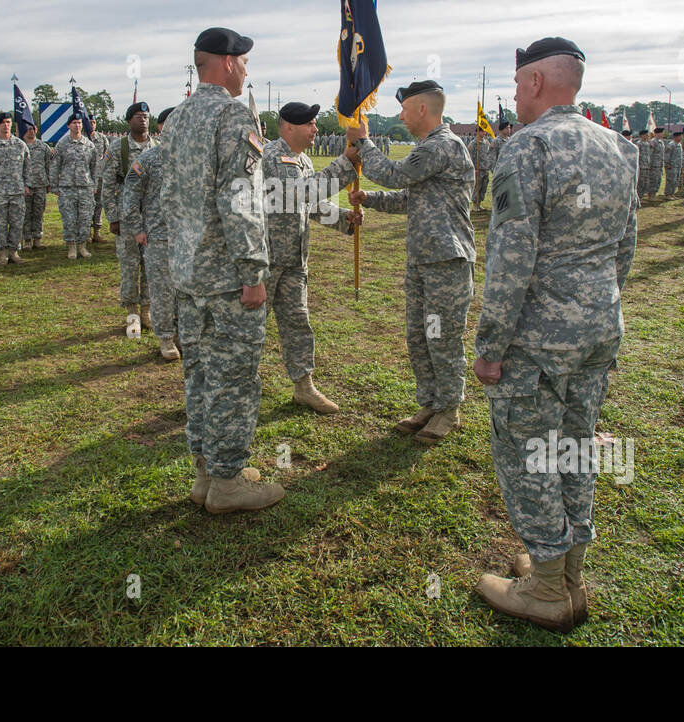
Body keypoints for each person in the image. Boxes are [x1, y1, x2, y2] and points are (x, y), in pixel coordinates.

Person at [472, 37, 637, 634]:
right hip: (597, 328)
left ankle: (544, 588)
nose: (515, 95)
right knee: (576, 446)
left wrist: (491, 346)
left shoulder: (529, 147)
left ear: (537, 82)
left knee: (530, 453)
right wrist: (598, 303)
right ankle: (569, 571)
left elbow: (511, 258)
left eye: (518, 84)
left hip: (537, 339)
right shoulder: (617, 146)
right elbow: (626, 246)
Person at [160, 26, 282, 513]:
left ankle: (206, 473)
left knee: (199, 373)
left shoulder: (178, 118)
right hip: (227, 275)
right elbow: (239, 199)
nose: (248, 70)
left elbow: (171, 198)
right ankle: (229, 483)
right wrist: (252, 271)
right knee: (233, 375)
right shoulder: (233, 114)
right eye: (246, 62)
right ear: (228, 63)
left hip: (187, 273)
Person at [346, 78, 475, 444]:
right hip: (423, 259)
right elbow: (410, 199)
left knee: (441, 336)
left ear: (422, 109)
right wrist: (368, 198)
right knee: (419, 335)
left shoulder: (442, 146)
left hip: (445, 261)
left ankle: (449, 409)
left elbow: (395, 175)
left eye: (404, 109)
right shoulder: (429, 149)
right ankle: (431, 403)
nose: (400, 116)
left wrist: (362, 141)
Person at [263, 102, 361, 414]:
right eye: (310, 124)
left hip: (293, 260)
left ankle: (303, 387)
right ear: (289, 127)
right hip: (263, 262)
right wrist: (346, 162)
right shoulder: (273, 157)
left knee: (298, 323)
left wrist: (345, 218)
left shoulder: (301, 160)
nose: (316, 130)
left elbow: (312, 205)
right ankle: (231, 389)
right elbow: (305, 192)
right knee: (248, 330)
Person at [121, 107, 180, 360]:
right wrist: (137, 229)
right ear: (161, 128)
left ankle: (182, 333)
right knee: (162, 289)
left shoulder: (194, 159)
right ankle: (166, 337)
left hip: (188, 237)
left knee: (185, 289)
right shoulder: (147, 159)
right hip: (157, 236)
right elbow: (130, 195)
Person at [105, 103, 158, 331]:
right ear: (129, 121)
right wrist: (113, 217)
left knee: (150, 264)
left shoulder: (158, 147)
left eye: (145, 116)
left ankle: (147, 308)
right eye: (138, 116)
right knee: (129, 264)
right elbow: (107, 184)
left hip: (152, 216)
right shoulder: (118, 148)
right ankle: (132, 311)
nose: (143, 120)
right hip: (127, 215)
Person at [0, 112, 30, 265]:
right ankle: (2, 252)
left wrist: (26, 184)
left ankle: (14, 251)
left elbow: (27, 166)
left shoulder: (20, 144)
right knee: (1, 223)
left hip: (17, 190)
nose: (6, 125)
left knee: (17, 222)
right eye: (3, 122)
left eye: (8, 122)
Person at [51, 114, 97, 258]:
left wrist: (94, 184)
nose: (77, 125)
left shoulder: (89, 145)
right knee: (69, 219)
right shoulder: (62, 144)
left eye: (79, 123)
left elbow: (94, 166)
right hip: (67, 187)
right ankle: (71, 247)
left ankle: (82, 246)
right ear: (68, 126)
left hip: (85, 187)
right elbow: (55, 166)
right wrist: (54, 186)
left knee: (85, 218)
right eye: (74, 123)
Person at [21, 123, 54, 249]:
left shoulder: (43, 146)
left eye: (33, 129)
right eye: (29, 129)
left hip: (40, 184)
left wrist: (49, 183)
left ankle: (37, 238)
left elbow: (49, 165)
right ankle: (27, 240)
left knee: (38, 213)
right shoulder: (20, 145)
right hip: (26, 185)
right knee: (26, 213)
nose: (31, 131)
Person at [663, 130, 683, 199]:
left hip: (677, 166)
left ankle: (672, 193)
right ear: (675, 137)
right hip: (671, 166)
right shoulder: (671, 145)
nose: (681, 138)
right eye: (680, 136)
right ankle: (668, 194)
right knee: (670, 180)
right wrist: (667, 163)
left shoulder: (679, 145)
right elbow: (667, 155)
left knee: (676, 180)